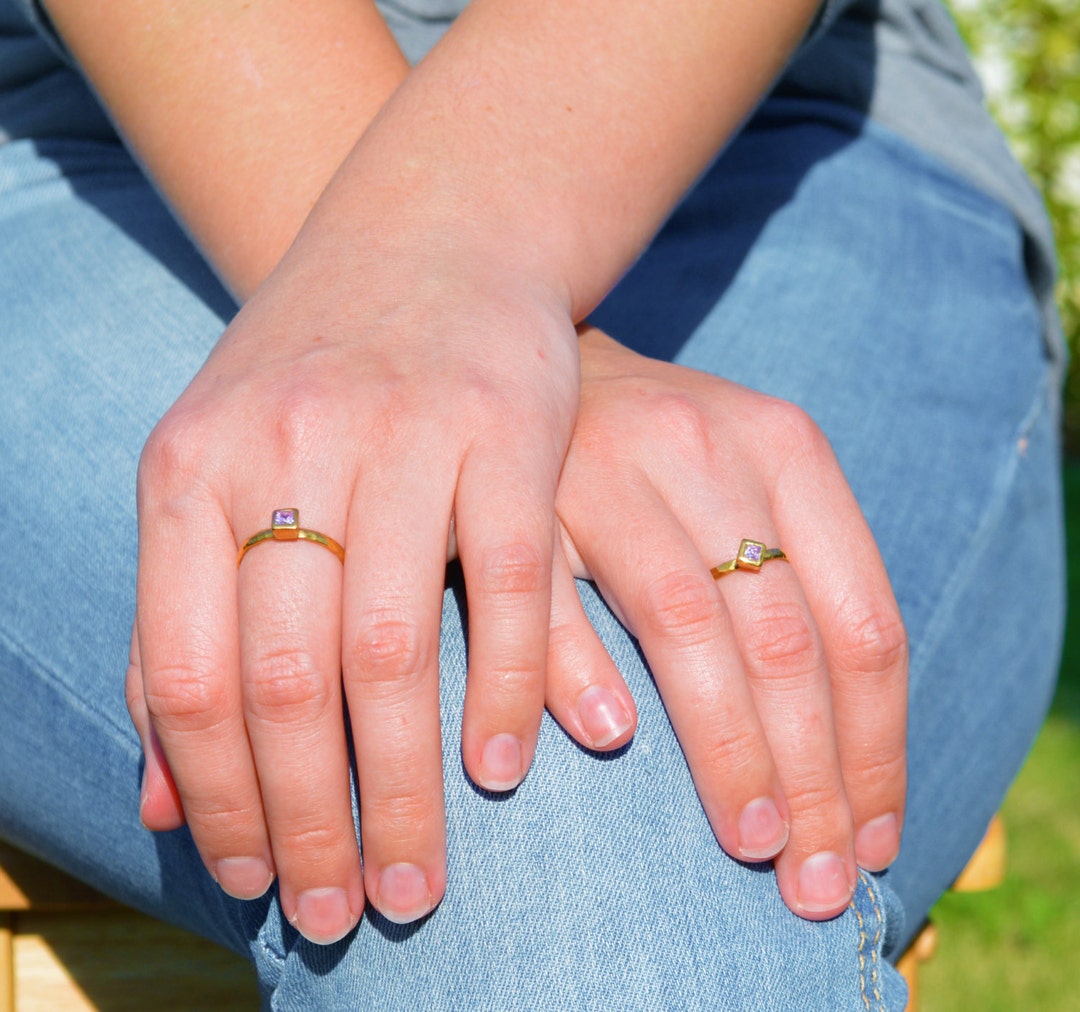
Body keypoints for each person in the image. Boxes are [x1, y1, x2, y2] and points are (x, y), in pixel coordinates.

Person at [0, 0, 1064, 1007]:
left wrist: (458, 268)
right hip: (101, 119)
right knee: (497, 791)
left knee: (634, 791)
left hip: (767, 121)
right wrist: (428, 289)